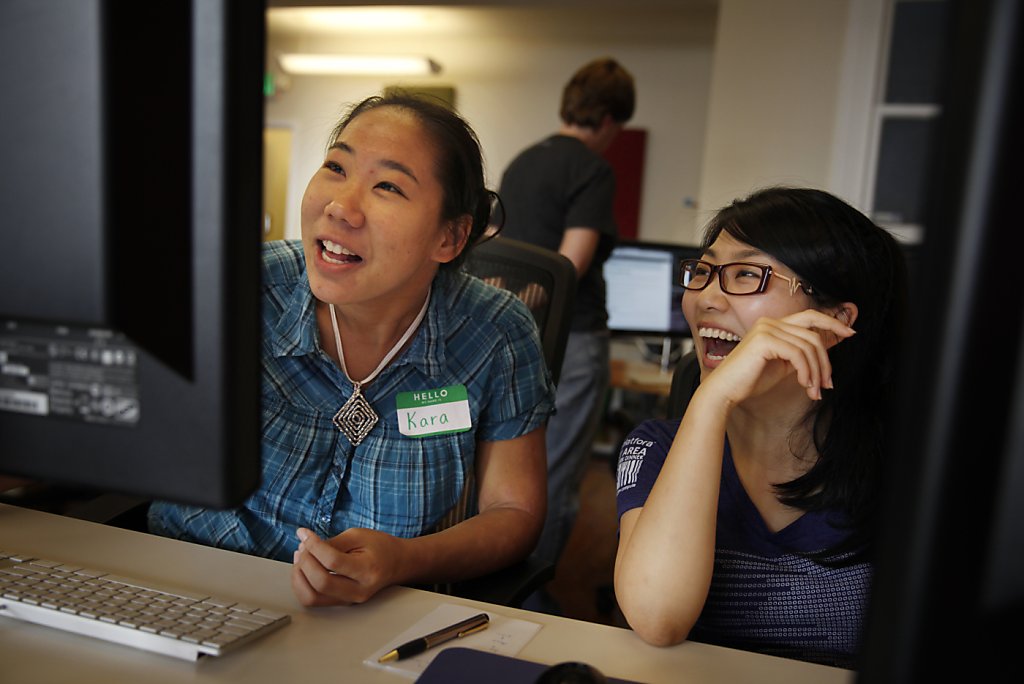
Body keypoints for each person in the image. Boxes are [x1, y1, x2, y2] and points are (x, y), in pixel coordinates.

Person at [148, 93, 556, 607]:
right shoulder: (236, 288)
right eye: (335, 167)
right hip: (184, 589)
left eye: (387, 185)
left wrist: (407, 560)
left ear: (450, 238)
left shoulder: (495, 336)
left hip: (364, 620)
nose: (340, 205)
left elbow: (514, 513)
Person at [613, 187, 908, 668]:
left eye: (747, 274)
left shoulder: (899, 459)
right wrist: (711, 401)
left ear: (833, 320)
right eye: (703, 272)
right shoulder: (655, 446)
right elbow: (658, 617)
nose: (706, 298)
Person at [496, 57, 636, 587]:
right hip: (572, 337)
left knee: (509, 467)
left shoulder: (522, 163)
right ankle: (531, 592)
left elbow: (494, 250)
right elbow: (568, 265)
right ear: (610, 120)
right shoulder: (592, 169)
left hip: (512, 337)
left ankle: (499, 576)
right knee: (555, 473)